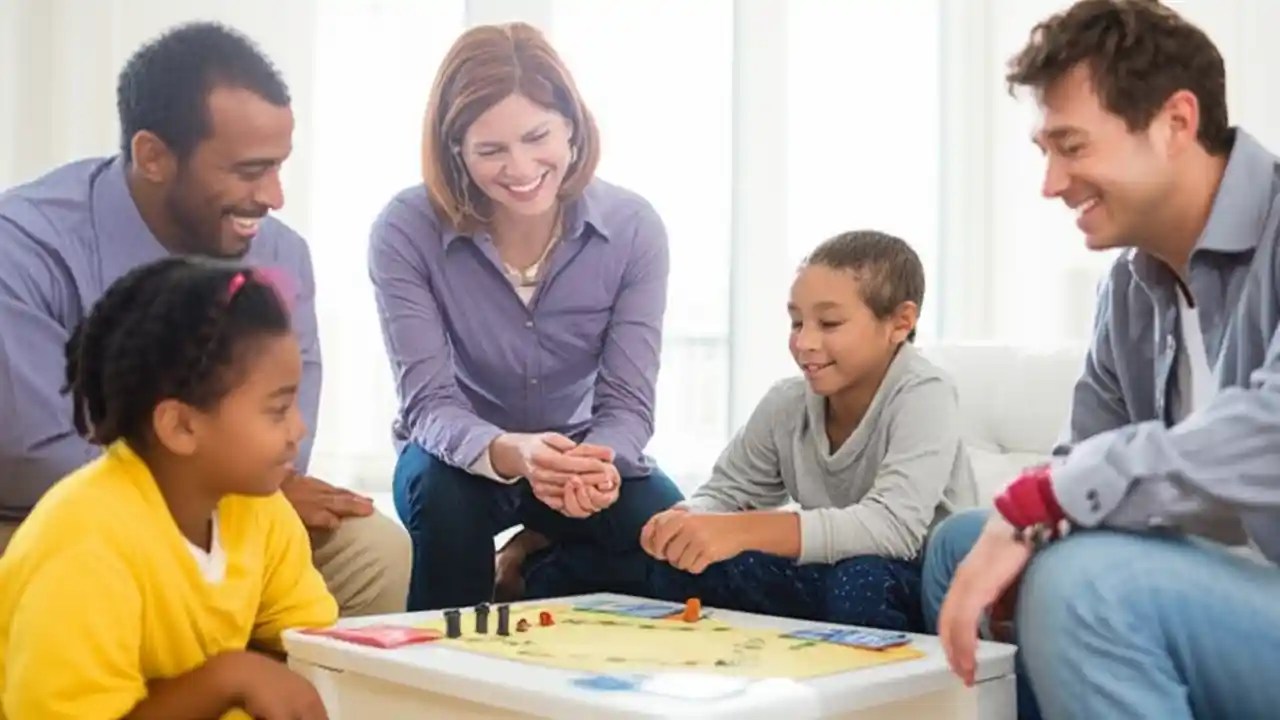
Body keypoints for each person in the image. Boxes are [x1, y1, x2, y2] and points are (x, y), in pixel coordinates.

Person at [925, 2, 1280, 719]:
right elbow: (1081, 457)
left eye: (1073, 146)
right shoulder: (1130, 286)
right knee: (961, 544)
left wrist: (1051, 500)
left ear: (1175, 123)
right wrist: (1037, 509)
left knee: (1085, 584)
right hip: (1208, 591)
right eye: (1044, 152)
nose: (1051, 183)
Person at [0, 22, 410, 616]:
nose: (273, 196)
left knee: (374, 552)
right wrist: (208, 492)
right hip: (49, 517)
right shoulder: (24, 245)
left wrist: (239, 491)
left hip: (230, 508)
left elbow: (286, 425)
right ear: (154, 156)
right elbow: (36, 458)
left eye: (279, 166)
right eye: (248, 171)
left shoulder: (281, 253)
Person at [370, 21, 684, 611]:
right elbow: (429, 404)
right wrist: (514, 452)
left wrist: (597, 463)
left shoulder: (634, 228)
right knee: (443, 503)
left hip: (578, 454)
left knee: (663, 529)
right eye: (491, 150)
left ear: (571, 126)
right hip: (460, 458)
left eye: (537, 137)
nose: (520, 168)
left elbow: (626, 407)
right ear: (456, 151)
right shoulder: (405, 229)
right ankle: (442, 680)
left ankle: (531, 567)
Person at [0, 258, 337, 719]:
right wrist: (227, 678)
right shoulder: (84, 540)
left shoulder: (260, 509)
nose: (298, 429)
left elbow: (315, 651)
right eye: (277, 410)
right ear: (180, 426)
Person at [639, 231, 975, 631]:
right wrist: (688, 519)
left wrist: (740, 530)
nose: (804, 342)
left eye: (829, 323)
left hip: (914, 581)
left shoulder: (924, 393)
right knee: (687, 565)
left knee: (861, 582)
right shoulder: (787, 402)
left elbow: (892, 530)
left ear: (901, 323)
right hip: (827, 575)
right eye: (797, 321)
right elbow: (727, 491)